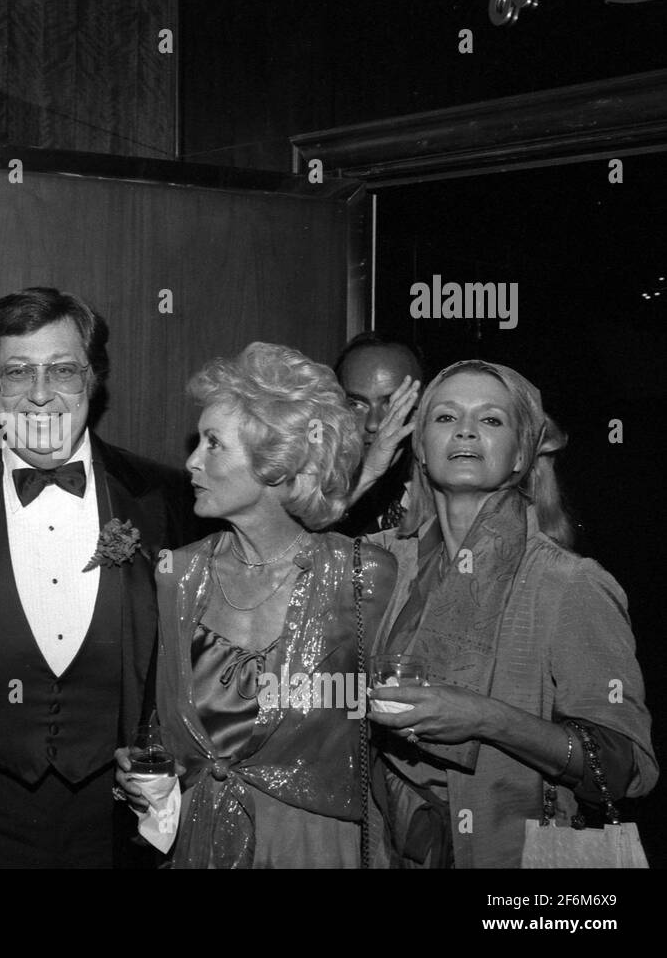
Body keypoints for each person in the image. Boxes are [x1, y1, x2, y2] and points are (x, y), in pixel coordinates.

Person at [0, 287, 199, 868]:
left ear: (93, 380)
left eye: (63, 370)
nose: (41, 394)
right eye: (17, 372)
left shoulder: (166, 497)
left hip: (119, 825)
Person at [367, 359, 657, 867]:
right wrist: (366, 471)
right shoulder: (381, 564)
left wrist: (484, 718)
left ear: (522, 453)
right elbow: (283, 557)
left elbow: (624, 768)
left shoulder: (568, 585)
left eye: (491, 420)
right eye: (445, 417)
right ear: (418, 445)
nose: (465, 430)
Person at [118, 342, 396, 868]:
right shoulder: (179, 573)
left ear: (276, 462)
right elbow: (164, 729)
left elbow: (399, 735)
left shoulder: (361, 576)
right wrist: (140, 770)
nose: (191, 461)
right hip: (195, 841)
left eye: (213, 444)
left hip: (312, 849)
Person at [335, 332, 422, 536]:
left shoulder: (448, 488)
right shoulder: (310, 488)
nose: (373, 424)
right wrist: (366, 475)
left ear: (422, 404)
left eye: (392, 403)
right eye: (356, 404)